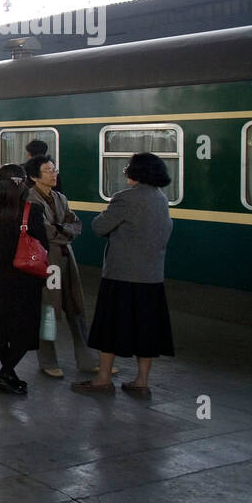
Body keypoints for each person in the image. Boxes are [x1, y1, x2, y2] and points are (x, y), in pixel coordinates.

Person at [75, 153, 176, 398]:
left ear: (136, 172)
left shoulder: (124, 199)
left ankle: (103, 379)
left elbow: (99, 227)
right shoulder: (162, 199)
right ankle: (141, 382)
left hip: (122, 276)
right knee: (147, 328)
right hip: (152, 277)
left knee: (109, 327)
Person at [25, 155, 97, 377]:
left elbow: (75, 223)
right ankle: (47, 361)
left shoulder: (60, 198)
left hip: (66, 258)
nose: (54, 173)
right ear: (34, 176)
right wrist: (63, 230)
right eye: (48, 170)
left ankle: (86, 360)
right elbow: (43, 231)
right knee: (48, 309)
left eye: (54, 169)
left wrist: (61, 230)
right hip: (48, 262)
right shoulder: (29, 200)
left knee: (75, 307)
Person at [0, 164, 48, 395]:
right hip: (25, 278)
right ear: (24, 184)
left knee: (0, 327)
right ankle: (4, 374)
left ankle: (8, 375)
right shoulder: (33, 211)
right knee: (24, 328)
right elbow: (42, 247)